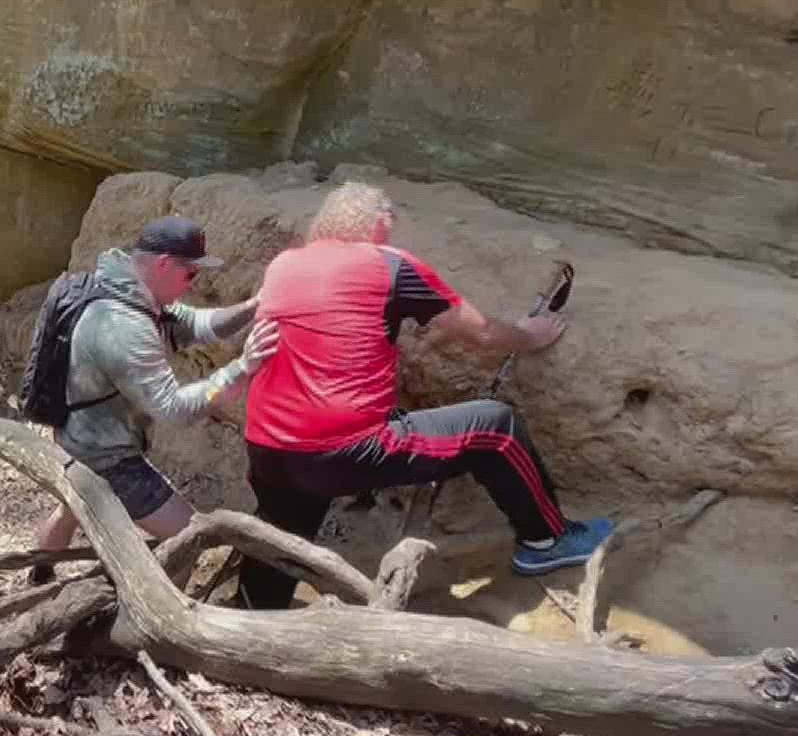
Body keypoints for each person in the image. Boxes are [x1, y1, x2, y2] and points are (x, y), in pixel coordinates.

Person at [236, 181, 614, 610]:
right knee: (495, 425)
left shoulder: (284, 265)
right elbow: (481, 332)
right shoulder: (391, 266)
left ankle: (252, 613)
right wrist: (529, 335)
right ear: (380, 224)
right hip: (340, 451)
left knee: (283, 533)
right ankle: (548, 541)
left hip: (267, 449)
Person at [33, 217, 278, 582]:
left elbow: (197, 324)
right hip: (106, 456)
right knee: (190, 538)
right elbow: (175, 409)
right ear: (164, 264)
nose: (193, 282)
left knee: (71, 505)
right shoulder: (124, 325)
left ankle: (37, 576)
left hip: (74, 436)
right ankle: (158, 621)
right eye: (190, 274)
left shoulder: (122, 289)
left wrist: (254, 306)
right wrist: (244, 367)